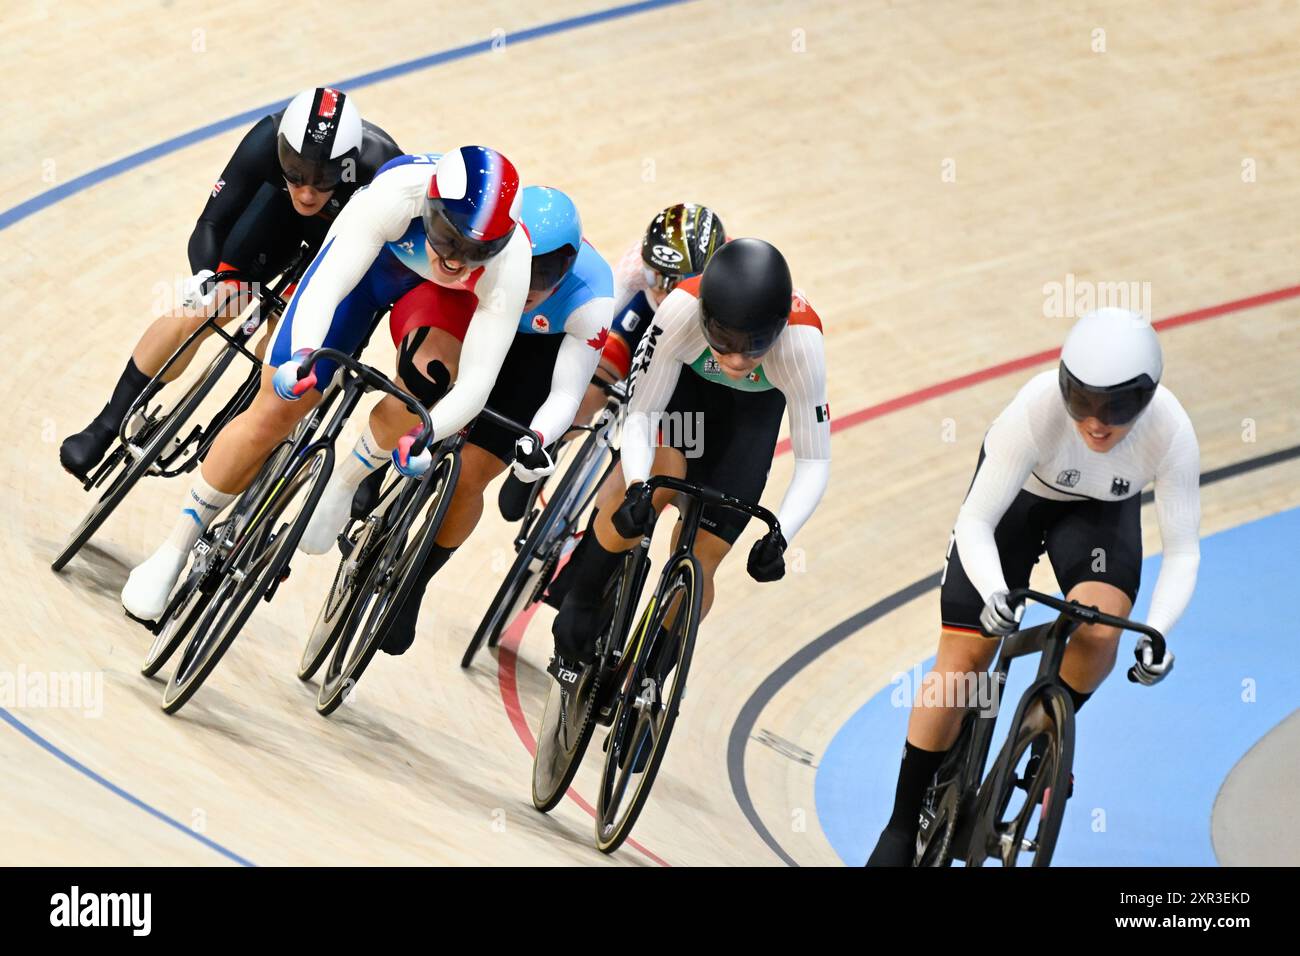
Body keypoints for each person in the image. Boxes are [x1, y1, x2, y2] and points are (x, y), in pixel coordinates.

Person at [120, 146, 530, 622]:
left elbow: (478, 381)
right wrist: (302, 358)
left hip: (434, 298)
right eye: (447, 237)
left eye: (475, 251)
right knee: (274, 410)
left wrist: (426, 434)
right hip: (370, 268)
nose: (456, 259)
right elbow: (329, 284)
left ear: (499, 244)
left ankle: (345, 479)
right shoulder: (398, 195)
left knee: (429, 379)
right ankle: (173, 550)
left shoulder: (511, 260)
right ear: (430, 207)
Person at [865, 307, 1201, 866]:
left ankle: (1045, 738)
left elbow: (1184, 549)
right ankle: (899, 827)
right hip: (1017, 500)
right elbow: (976, 522)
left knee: (1099, 634)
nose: (1097, 423)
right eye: (1083, 402)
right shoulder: (1035, 410)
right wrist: (997, 592)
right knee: (965, 658)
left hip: (1099, 513)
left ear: (1146, 398)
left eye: (1117, 408)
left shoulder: (1171, 431)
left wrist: (1158, 632)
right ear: (1064, 386)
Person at [303, 184, 614, 656]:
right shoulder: (485, 251)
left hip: (534, 354)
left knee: (471, 474)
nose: (530, 288)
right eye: (526, 269)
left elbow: (567, 391)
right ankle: (374, 462)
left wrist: (538, 437)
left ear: (568, 268)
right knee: (422, 382)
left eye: (545, 275)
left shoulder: (591, 298)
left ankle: (416, 581)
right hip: (476, 308)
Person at [546, 238, 832, 711]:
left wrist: (782, 534)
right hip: (687, 403)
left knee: (704, 555)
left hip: (749, 422)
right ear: (705, 321)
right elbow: (641, 414)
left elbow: (815, 459)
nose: (738, 361)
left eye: (755, 346)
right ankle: (583, 596)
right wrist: (638, 486)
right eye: (724, 343)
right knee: (652, 482)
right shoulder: (680, 311)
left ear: (778, 330)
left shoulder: (802, 344)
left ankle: (653, 671)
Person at [60, 87, 402, 479]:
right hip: (276, 221)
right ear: (281, 152)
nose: (307, 192)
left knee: (279, 345)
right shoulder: (266, 138)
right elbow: (211, 222)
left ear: (347, 166)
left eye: (323, 179)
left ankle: (238, 430)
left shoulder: (382, 170)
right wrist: (205, 276)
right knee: (209, 307)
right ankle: (106, 425)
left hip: (337, 246)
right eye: (296, 174)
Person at [495, 203, 726, 521]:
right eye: (653, 276)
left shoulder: (723, 292)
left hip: (690, 332)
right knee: (592, 385)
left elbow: (720, 369)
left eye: (671, 282)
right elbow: (598, 315)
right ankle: (546, 451)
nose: (659, 289)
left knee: (675, 419)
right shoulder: (637, 268)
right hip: (639, 319)